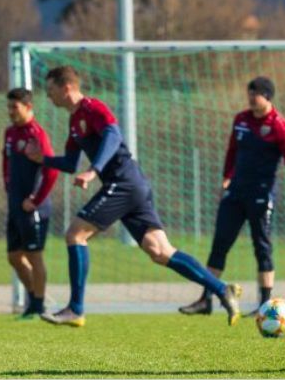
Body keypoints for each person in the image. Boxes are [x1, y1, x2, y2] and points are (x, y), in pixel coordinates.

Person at [26, 66, 243, 327]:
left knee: (75, 234)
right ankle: (221, 290)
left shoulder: (93, 108)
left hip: (124, 182)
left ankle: (76, 308)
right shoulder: (74, 122)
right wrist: (43, 159)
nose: (48, 96)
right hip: (131, 185)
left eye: (50, 90)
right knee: (160, 251)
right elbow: (71, 163)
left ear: (66, 88)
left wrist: (93, 171)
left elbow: (114, 135)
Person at [179, 76, 285, 316]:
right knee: (219, 245)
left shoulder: (280, 126)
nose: (250, 98)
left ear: (266, 96)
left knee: (262, 248)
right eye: (249, 93)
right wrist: (226, 178)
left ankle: (264, 306)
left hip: (261, 194)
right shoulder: (241, 120)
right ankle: (206, 300)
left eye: (254, 93)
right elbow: (232, 152)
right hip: (235, 192)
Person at [2, 87, 59, 319]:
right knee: (14, 256)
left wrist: (35, 199)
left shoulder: (36, 134)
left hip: (34, 206)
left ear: (28, 107)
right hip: (15, 204)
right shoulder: (10, 133)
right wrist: (8, 186)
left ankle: (37, 305)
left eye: (14, 107)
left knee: (34, 256)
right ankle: (35, 299)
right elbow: (6, 162)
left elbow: (52, 170)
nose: (10, 112)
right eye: (8, 107)